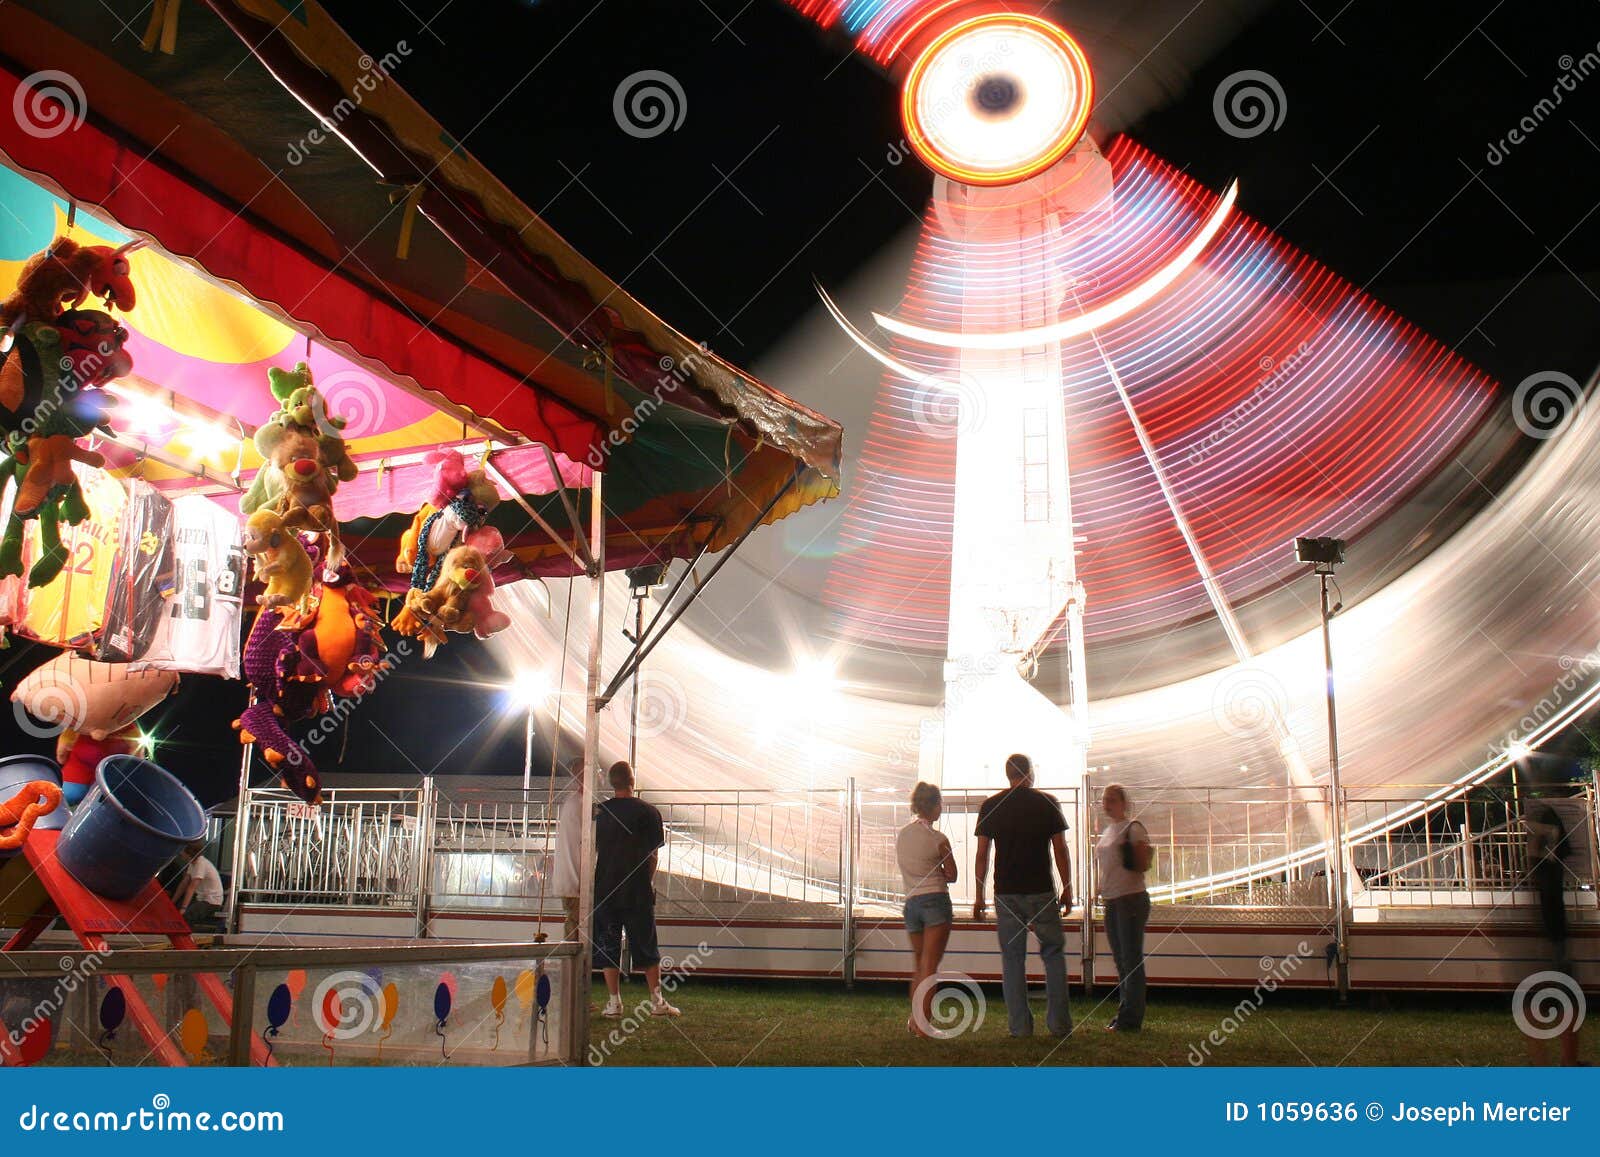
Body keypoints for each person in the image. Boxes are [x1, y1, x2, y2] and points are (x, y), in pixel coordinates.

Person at [973, 754, 1073, 1037]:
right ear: (1030, 773)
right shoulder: (1048, 802)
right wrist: (1067, 887)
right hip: (1041, 889)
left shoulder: (990, 806)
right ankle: (1059, 1025)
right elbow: (1060, 849)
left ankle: (1020, 1027)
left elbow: (982, 854)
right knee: (1053, 954)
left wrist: (979, 895)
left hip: (1006, 891)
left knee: (1012, 959)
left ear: (1008, 775)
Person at [594, 760, 680, 1018]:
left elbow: (594, 850)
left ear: (612, 782)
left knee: (608, 945)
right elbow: (653, 855)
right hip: (637, 890)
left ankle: (614, 1002)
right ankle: (656, 1002)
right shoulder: (649, 812)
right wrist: (645, 880)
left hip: (606, 888)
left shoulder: (600, 813)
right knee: (647, 946)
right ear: (632, 781)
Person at [896, 781, 958, 1036]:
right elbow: (952, 874)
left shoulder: (903, 835)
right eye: (939, 804)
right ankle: (923, 1026)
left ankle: (914, 1020)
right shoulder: (939, 839)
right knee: (930, 966)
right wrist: (939, 871)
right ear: (932, 806)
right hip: (935, 902)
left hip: (911, 903)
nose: (941, 808)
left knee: (919, 965)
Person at [1097, 783, 1153, 1031]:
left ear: (1123, 803)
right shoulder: (1109, 831)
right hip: (1112, 898)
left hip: (1130, 898)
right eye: (1104, 799)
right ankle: (1126, 1011)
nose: (1107, 804)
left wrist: (1131, 853)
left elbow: (1142, 864)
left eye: (1112, 799)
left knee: (1130, 959)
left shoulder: (1133, 828)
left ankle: (1130, 1017)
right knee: (1122, 960)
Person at [173, 841, 224, 931]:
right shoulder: (192, 863)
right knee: (176, 909)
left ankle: (185, 936)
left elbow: (192, 887)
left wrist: (184, 908)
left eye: (182, 851)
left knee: (187, 915)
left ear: (188, 852)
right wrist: (173, 902)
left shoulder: (201, 864)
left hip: (212, 902)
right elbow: (184, 884)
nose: (180, 853)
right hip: (201, 899)